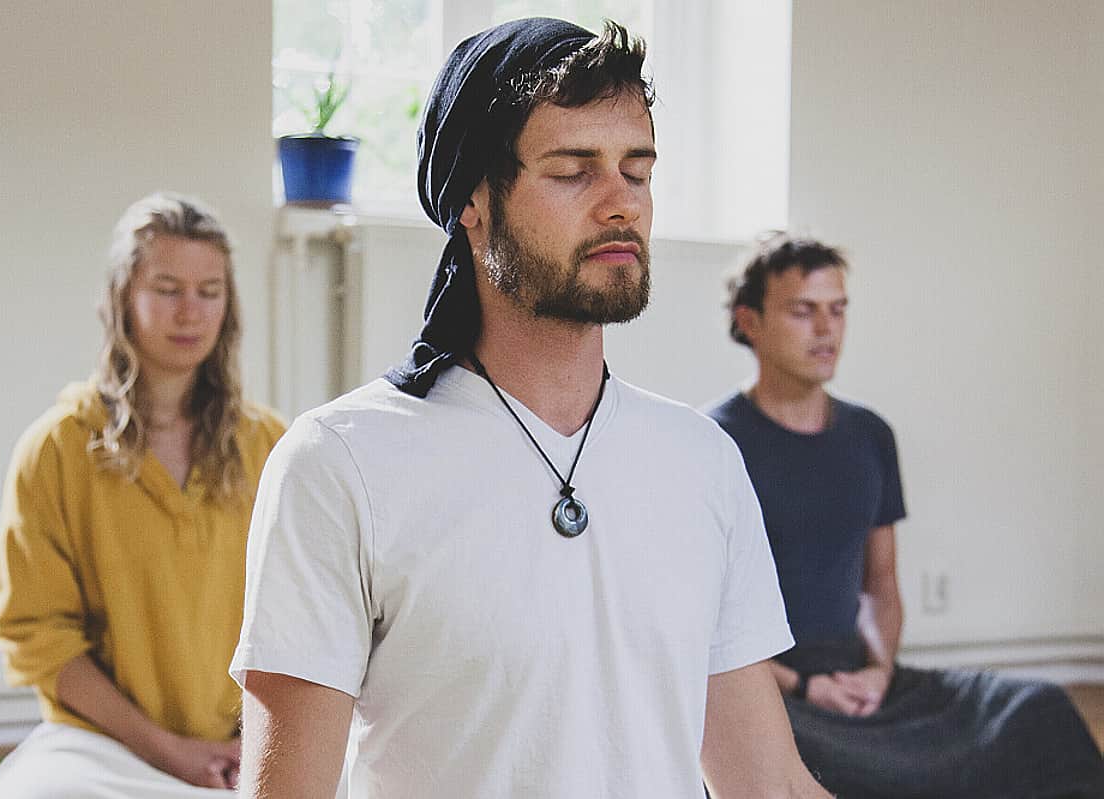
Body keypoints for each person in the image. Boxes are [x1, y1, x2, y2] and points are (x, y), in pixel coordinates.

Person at [230, 18, 831, 799]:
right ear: (473, 201)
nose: (621, 204)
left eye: (636, 169)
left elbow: (771, 785)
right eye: (573, 171)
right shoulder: (339, 462)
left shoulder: (703, 461)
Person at [708, 231, 1104, 798]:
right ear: (750, 322)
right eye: (803, 311)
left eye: (838, 310)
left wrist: (879, 671)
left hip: (858, 677)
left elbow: (880, 587)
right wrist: (805, 686)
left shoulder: (869, 435)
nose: (827, 330)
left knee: (1036, 710)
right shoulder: (714, 444)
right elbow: (702, 625)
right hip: (774, 689)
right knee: (797, 760)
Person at [0, 192, 286, 798]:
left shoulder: (273, 446)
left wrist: (255, 741)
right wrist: (170, 752)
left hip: (250, 740)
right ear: (124, 296)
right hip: (103, 747)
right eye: (167, 288)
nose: (190, 312)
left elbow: (309, 617)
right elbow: (37, 633)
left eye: (210, 291)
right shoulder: (56, 449)